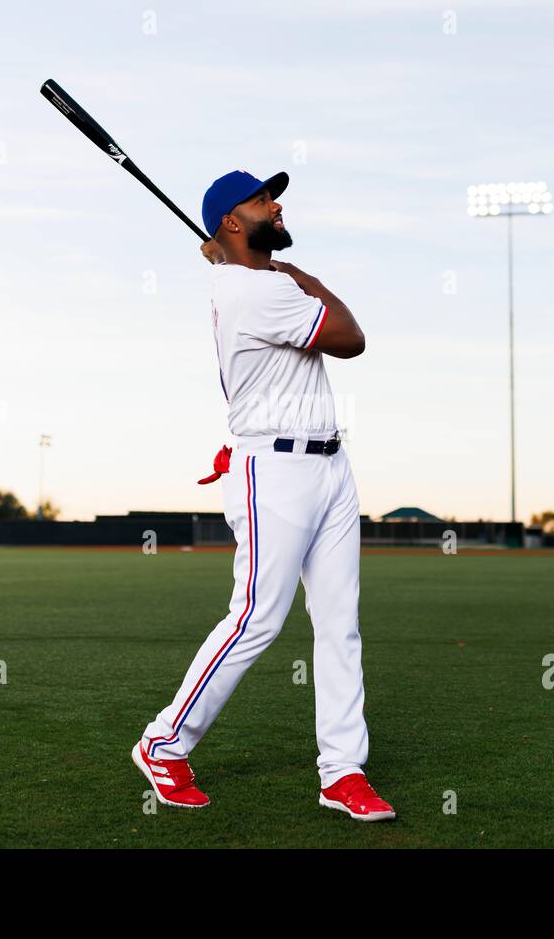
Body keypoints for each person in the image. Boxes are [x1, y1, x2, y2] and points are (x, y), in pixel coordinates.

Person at [131, 169, 395, 822]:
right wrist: (301, 276)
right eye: (261, 201)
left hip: (330, 464)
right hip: (272, 471)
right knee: (256, 618)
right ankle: (164, 741)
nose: (275, 206)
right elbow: (352, 337)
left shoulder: (251, 283)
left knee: (340, 625)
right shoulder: (257, 292)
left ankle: (342, 771)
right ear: (231, 222)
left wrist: (280, 272)